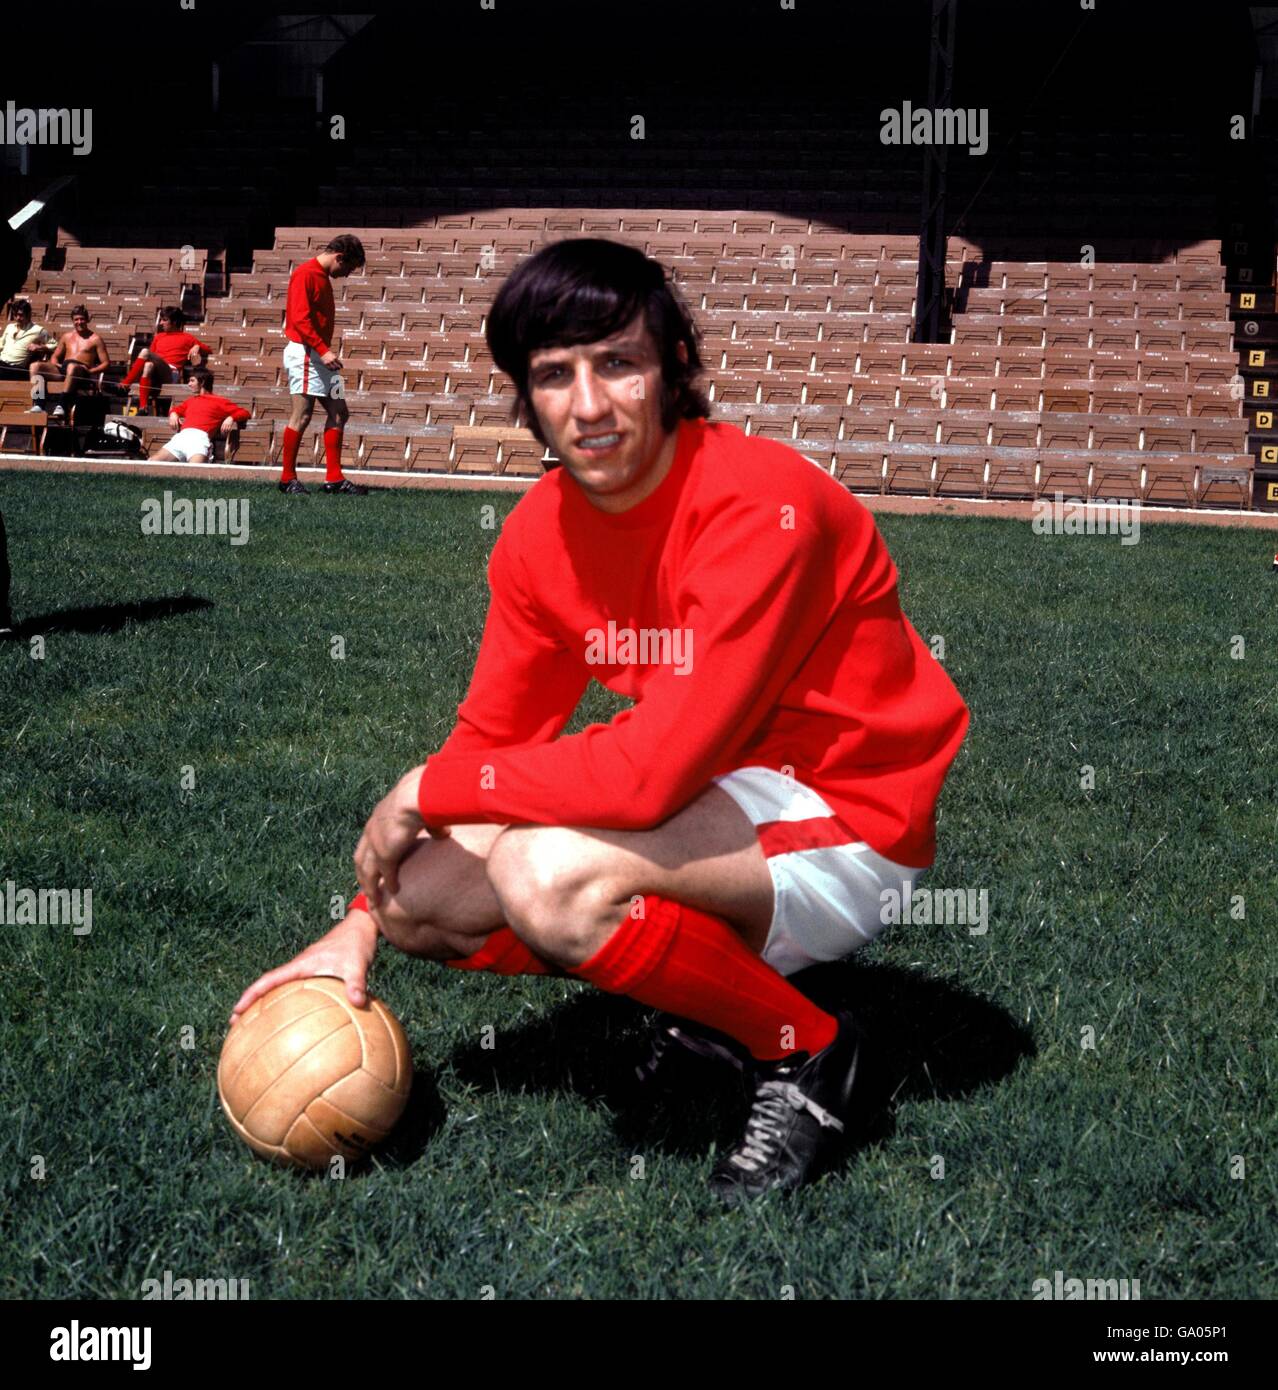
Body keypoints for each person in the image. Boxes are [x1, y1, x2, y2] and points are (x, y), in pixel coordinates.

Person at [232, 238, 970, 1204]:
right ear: (524, 396)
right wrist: (359, 926)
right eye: (553, 375)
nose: (587, 404)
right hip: (717, 795)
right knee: (420, 893)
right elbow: (493, 741)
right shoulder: (540, 534)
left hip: (851, 810)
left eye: (617, 363)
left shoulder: (762, 501)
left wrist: (426, 790)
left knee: (548, 875)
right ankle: (706, 1008)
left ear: (671, 370)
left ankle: (809, 1051)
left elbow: (649, 775)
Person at [276, 232, 368, 495]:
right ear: (339, 257)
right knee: (302, 414)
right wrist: (322, 351)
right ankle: (287, 479)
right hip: (306, 354)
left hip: (321, 356)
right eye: (348, 267)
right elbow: (300, 319)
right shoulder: (306, 274)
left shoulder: (322, 277)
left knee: (339, 412)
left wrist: (324, 352)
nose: (347, 274)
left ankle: (334, 479)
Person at [119, 305, 211, 414]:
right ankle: (143, 407)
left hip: (170, 373)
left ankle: (124, 385)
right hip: (155, 373)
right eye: (161, 319)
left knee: (145, 352)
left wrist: (197, 346)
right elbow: (150, 357)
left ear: (175, 321)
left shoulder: (188, 338)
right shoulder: (158, 337)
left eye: (165, 320)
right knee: (148, 365)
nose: (161, 323)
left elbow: (209, 350)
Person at [150, 367, 249, 463]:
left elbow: (245, 413)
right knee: (151, 462)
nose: (189, 384)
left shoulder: (220, 401)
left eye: (192, 381)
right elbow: (176, 410)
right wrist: (173, 414)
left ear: (202, 382)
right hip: (181, 437)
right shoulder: (190, 401)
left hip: (200, 440)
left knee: (195, 471)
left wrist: (231, 418)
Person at [29, 305, 109, 417]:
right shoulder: (66, 336)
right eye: (76, 319)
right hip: (65, 369)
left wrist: (91, 371)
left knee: (72, 366)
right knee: (35, 366)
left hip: (82, 373)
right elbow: (55, 356)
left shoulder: (95, 339)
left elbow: (106, 363)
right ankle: (38, 404)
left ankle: (62, 404)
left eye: (82, 319)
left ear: (87, 320)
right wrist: (56, 364)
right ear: (72, 321)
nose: (79, 322)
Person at [1, 299, 53, 381]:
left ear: (28, 315)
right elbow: (1, 344)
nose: (18, 318)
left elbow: (54, 345)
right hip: (2, 364)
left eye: (21, 315)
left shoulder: (38, 330)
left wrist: (39, 347)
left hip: (16, 369)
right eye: (15, 315)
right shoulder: (9, 327)